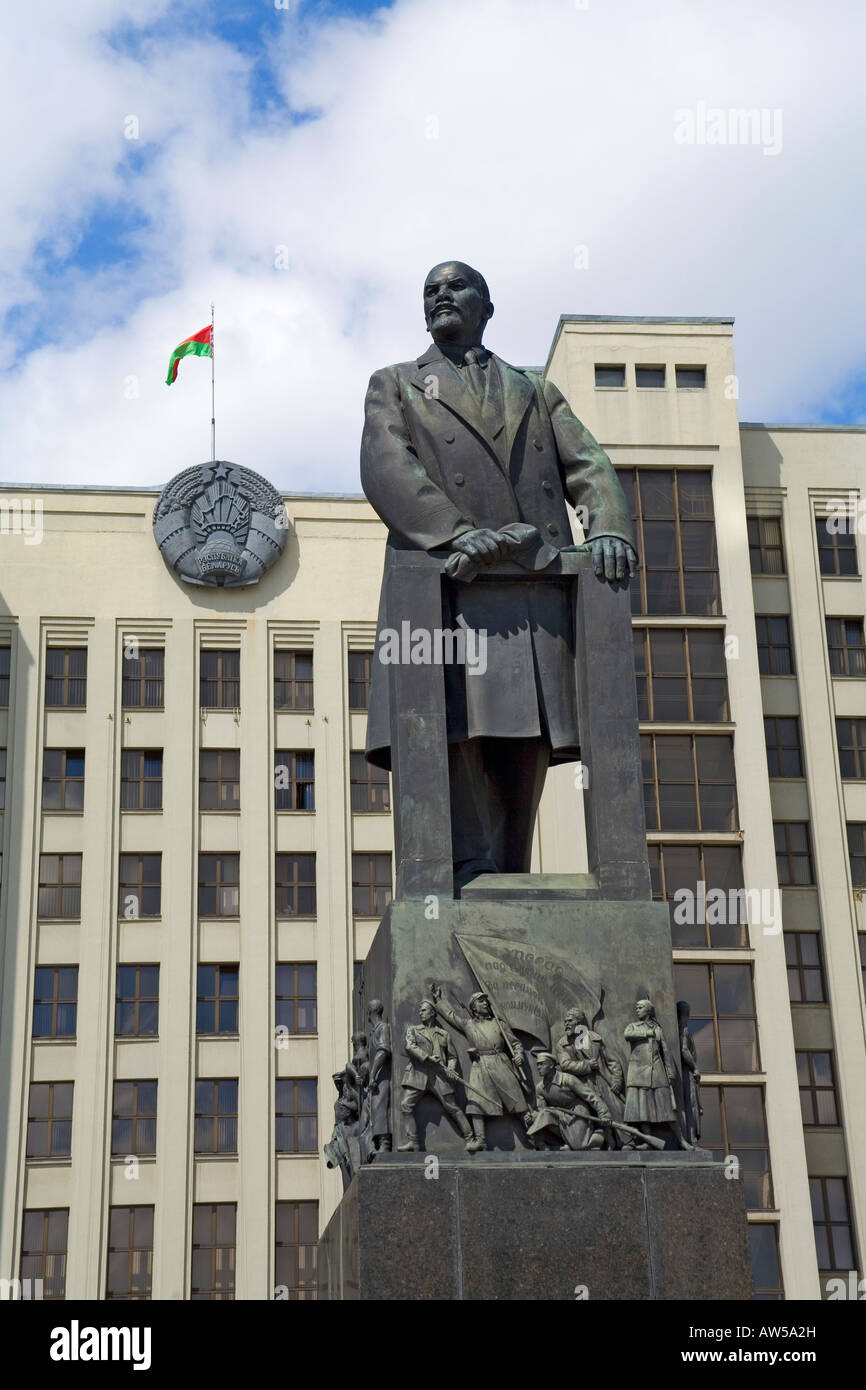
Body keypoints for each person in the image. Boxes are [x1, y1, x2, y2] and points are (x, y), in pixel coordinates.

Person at [361, 261, 637, 890]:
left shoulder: (533, 390)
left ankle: (507, 873)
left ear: (485, 305)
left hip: (532, 595)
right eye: (429, 289)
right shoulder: (397, 384)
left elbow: (587, 463)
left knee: (526, 734)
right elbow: (386, 467)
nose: (440, 295)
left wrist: (608, 527)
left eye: (455, 286)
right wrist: (458, 532)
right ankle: (466, 868)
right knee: (457, 727)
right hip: (449, 593)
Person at [429, 984, 527, 1150]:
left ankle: (536, 1137)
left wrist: (519, 1054)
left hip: (500, 1062)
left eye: (486, 1002)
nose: (485, 1004)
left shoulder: (498, 1023)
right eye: (481, 1002)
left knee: (517, 1102)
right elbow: (451, 1016)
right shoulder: (469, 1024)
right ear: (473, 1007)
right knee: (476, 1101)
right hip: (480, 1065)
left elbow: (515, 1043)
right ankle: (480, 1140)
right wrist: (439, 1000)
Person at [398, 999, 475, 1152]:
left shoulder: (444, 1034)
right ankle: (413, 1142)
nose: (420, 1013)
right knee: (406, 1105)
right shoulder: (413, 1030)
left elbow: (452, 1056)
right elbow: (409, 1046)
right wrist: (427, 1058)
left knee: (452, 1107)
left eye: (424, 1010)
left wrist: (451, 1069)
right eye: (420, 1010)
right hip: (418, 1074)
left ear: (432, 1013)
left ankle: (470, 1138)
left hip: (439, 1076)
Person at [555, 1006, 630, 1147]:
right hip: (580, 1086)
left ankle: (627, 1141)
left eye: (570, 1021)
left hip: (602, 1082)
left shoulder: (595, 1039)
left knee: (616, 1109)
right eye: (565, 1021)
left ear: (579, 1022)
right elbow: (565, 1065)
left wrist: (617, 1079)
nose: (566, 1024)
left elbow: (612, 1060)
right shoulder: (562, 1044)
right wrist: (587, 1065)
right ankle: (604, 1142)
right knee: (592, 1115)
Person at [525, 1051, 612, 1150]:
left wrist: (604, 1114)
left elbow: (590, 1096)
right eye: (537, 1065)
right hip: (558, 1115)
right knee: (542, 1115)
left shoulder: (568, 1079)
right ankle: (547, 1145)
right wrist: (532, 1117)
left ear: (551, 1065)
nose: (539, 1067)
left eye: (542, 1064)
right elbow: (542, 1110)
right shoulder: (540, 1088)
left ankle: (598, 1134)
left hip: (577, 1112)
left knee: (579, 1147)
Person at [623, 999, 677, 1147]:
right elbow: (627, 1034)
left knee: (667, 1108)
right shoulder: (633, 1026)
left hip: (657, 1071)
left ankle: (682, 1141)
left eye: (640, 1008)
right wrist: (647, 1033)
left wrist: (669, 1071)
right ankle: (647, 1141)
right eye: (637, 1008)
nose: (637, 1010)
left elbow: (665, 1050)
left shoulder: (658, 1029)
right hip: (639, 1073)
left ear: (648, 1010)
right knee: (643, 1109)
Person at [366, 999, 392, 1154]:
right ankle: (377, 1143)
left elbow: (382, 1052)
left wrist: (372, 1075)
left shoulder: (382, 1028)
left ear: (370, 1013)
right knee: (374, 1109)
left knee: (380, 1106)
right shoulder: (375, 1030)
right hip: (377, 1077)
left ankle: (385, 1144)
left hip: (382, 1076)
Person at [677, 1000, 703, 1146]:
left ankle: (691, 1137)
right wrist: (695, 1068)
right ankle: (691, 1138)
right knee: (691, 1105)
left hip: (686, 1072)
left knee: (691, 1105)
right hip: (687, 1073)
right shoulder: (683, 1030)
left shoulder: (682, 1029)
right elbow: (684, 1050)